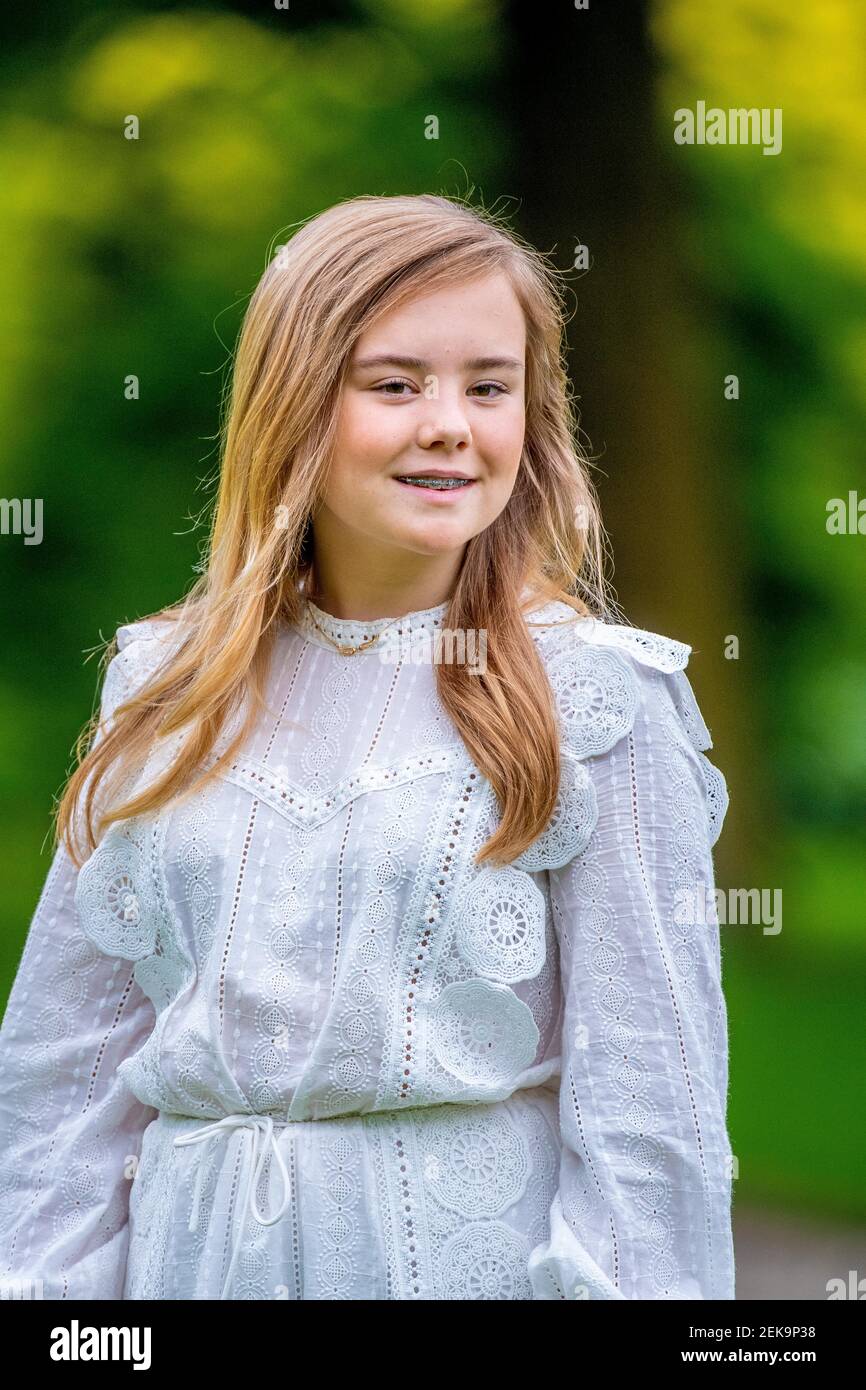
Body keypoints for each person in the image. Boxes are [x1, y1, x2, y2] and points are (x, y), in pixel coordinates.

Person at [0, 193, 735, 1300]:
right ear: (294, 403)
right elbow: (67, 1073)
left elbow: (651, 1107)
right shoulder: (165, 687)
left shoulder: (592, 696)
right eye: (394, 383)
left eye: (489, 386)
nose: (450, 421)